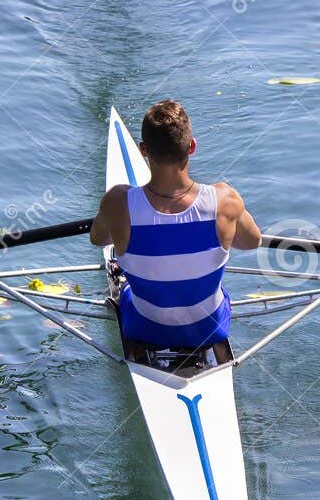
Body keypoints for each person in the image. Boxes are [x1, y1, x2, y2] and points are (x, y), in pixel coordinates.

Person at [90, 100, 262, 353]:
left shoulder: (118, 202)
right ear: (191, 146)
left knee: (125, 285)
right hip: (210, 329)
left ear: (143, 150)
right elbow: (252, 242)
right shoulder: (225, 200)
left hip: (142, 327)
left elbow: (98, 239)